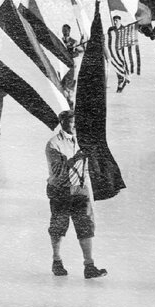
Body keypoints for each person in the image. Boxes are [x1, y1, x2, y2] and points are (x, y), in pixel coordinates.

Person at [45, 110, 107, 279]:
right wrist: (76, 159)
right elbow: (57, 171)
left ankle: (89, 265)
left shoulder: (82, 140)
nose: (74, 125)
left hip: (79, 190)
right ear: (62, 122)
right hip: (61, 190)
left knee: (85, 227)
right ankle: (56, 261)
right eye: (70, 122)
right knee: (58, 227)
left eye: (75, 122)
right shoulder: (53, 144)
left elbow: (89, 166)